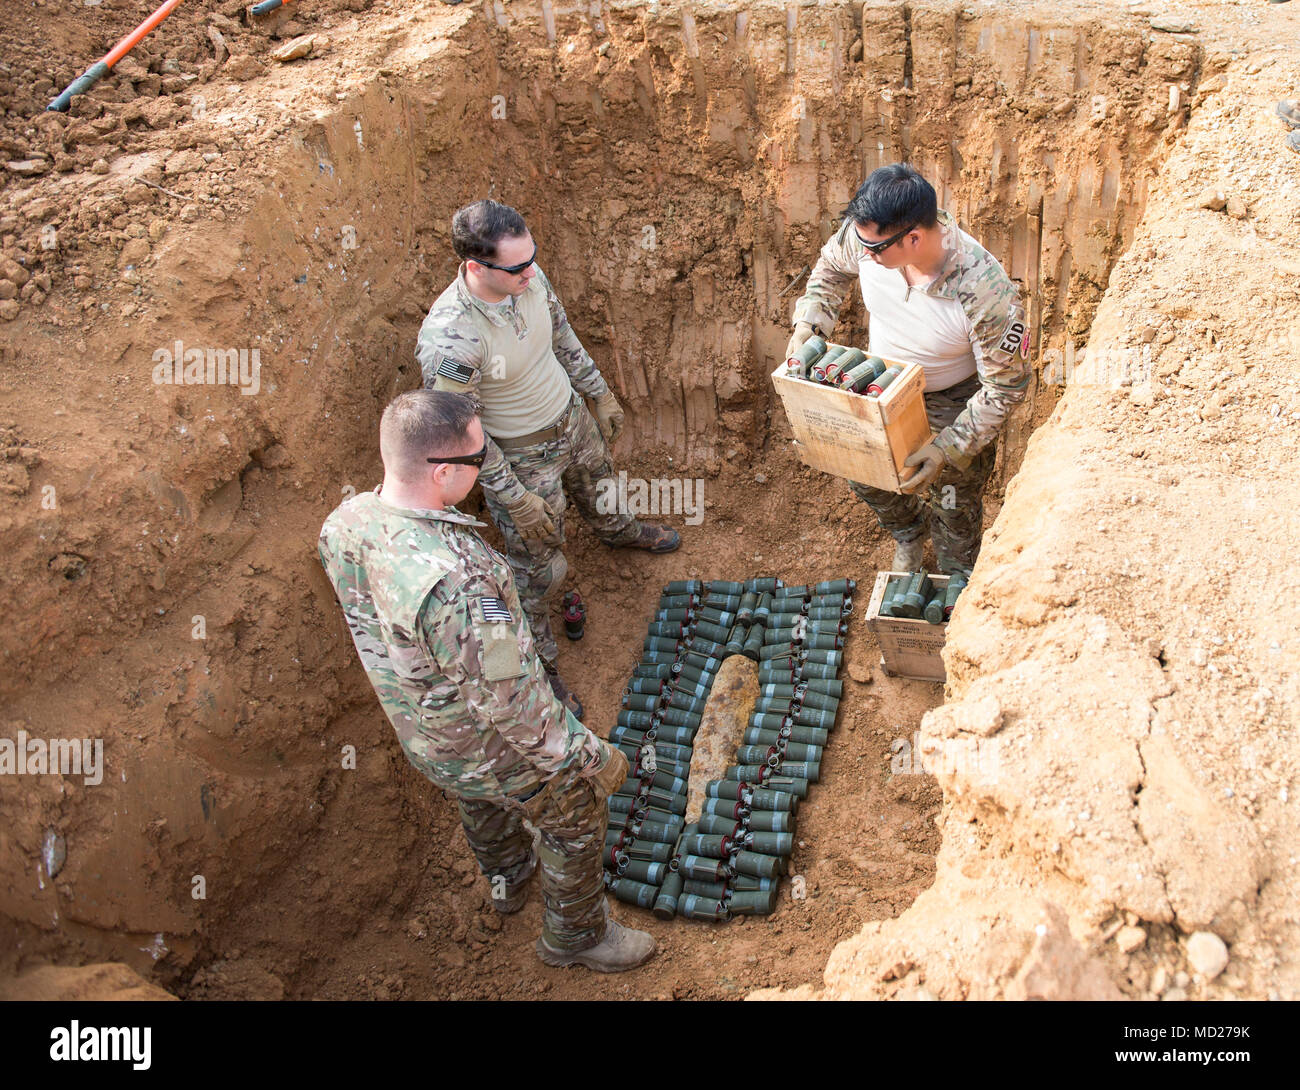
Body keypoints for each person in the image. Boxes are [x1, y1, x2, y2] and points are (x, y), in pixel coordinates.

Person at [318, 390, 656, 973]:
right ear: (442, 471)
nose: (485, 468)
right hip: (488, 744)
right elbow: (514, 704)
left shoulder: (346, 523)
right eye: (478, 459)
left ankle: (507, 878)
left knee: (479, 800)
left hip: (427, 735)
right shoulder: (459, 582)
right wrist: (587, 755)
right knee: (576, 815)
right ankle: (575, 936)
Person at [416, 200, 680, 720]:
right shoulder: (451, 339)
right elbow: (461, 437)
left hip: (569, 418)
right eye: (516, 266)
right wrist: (514, 498)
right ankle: (541, 661)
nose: (531, 271)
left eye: (531, 258)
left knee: (602, 489)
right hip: (518, 454)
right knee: (536, 566)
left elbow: (561, 335)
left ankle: (620, 531)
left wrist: (598, 394)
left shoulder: (526, 278)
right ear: (475, 266)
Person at [785, 163, 1030, 578]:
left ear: (913, 238)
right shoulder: (869, 240)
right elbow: (829, 269)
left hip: (954, 398)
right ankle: (908, 531)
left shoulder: (985, 292)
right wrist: (809, 324)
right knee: (858, 464)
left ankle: (956, 570)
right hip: (881, 380)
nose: (862, 253)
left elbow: (1005, 388)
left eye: (874, 248)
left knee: (952, 496)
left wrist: (946, 447)